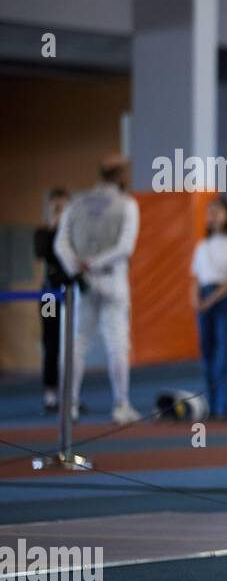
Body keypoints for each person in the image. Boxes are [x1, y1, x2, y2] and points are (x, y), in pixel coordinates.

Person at [54, 156, 140, 425]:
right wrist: (96, 263)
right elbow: (126, 247)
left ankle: (70, 406)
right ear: (122, 177)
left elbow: (60, 245)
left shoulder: (76, 204)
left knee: (76, 345)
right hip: (112, 280)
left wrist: (78, 269)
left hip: (82, 282)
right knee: (117, 345)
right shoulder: (127, 204)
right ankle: (121, 406)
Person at [190, 197, 227, 420]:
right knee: (208, 352)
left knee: (224, 352)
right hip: (205, 296)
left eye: (218, 211)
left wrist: (211, 299)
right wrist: (196, 299)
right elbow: (195, 277)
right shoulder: (202, 245)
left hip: (225, 296)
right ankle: (213, 404)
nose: (213, 215)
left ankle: (226, 405)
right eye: (210, 212)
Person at [33, 188, 71, 412]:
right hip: (49, 294)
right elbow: (43, 253)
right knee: (51, 341)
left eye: (63, 208)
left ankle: (69, 394)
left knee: (71, 344)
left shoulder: (73, 234)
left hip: (71, 292)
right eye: (56, 208)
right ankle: (50, 393)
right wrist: (55, 225)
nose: (60, 212)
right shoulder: (42, 233)